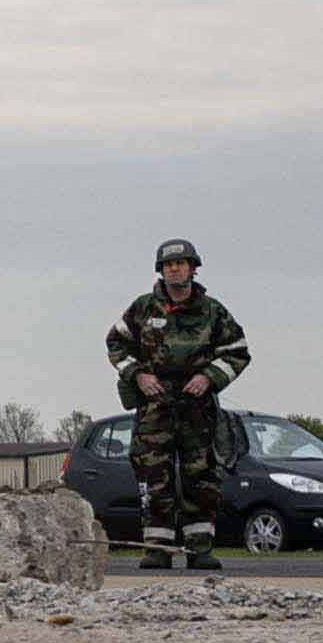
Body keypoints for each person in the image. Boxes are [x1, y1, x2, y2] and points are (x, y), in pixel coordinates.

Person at [104, 238, 247, 570]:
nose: (175, 269)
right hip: (156, 406)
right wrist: (137, 375)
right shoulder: (143, 308)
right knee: (154, 477)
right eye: (169, 265)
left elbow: (238, 351)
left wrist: (210, 377)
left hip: (197, 406)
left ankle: (200, 548)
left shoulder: (213, 311)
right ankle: (157, 547)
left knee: (201, 477)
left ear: (193, 268)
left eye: (181, 263)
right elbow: (116, 343)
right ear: (161, 270)